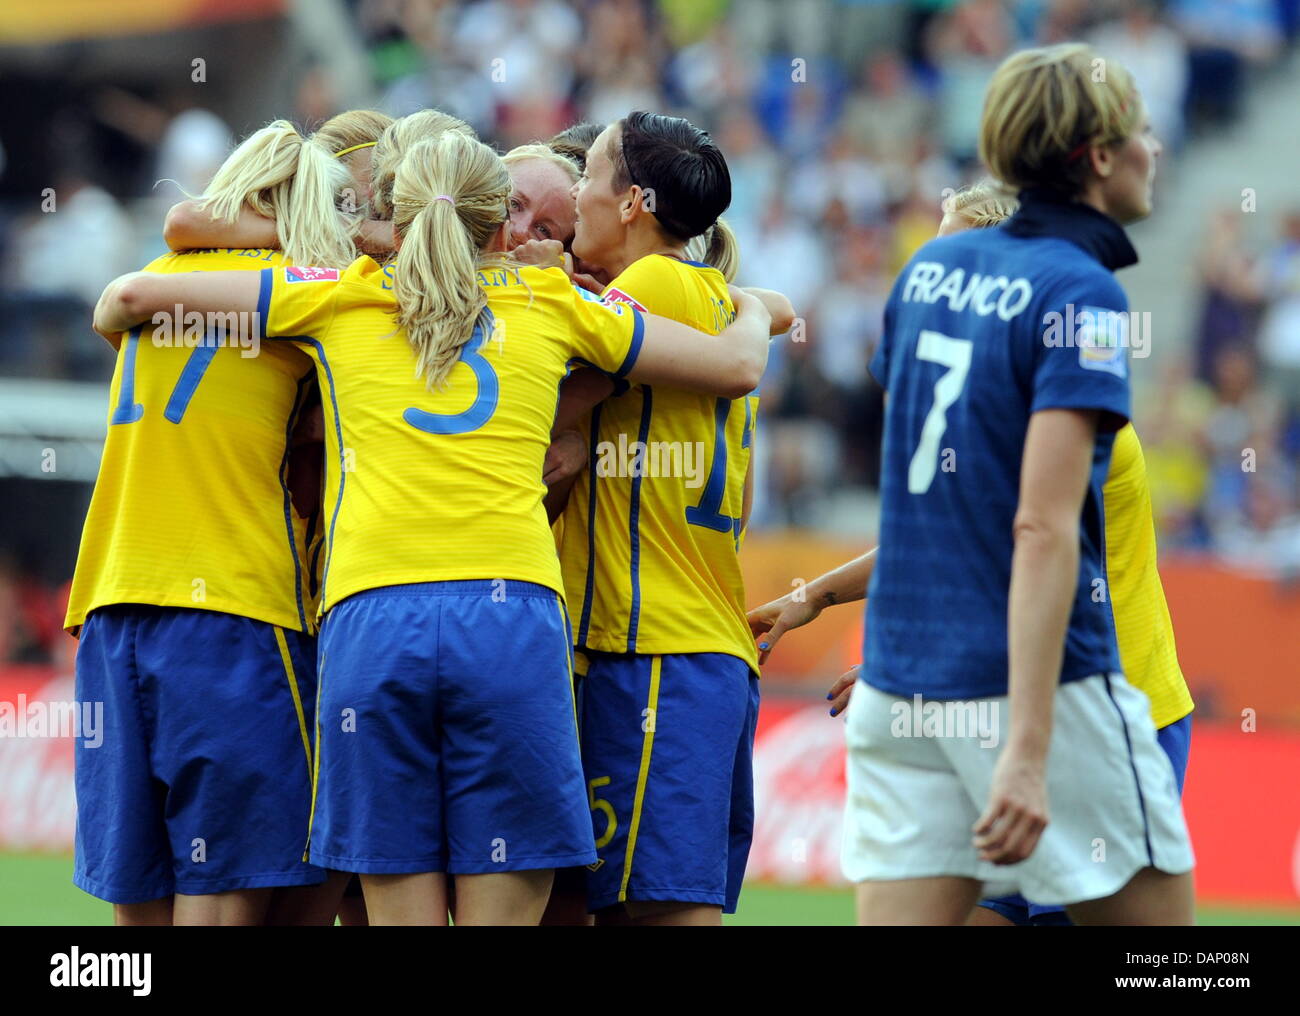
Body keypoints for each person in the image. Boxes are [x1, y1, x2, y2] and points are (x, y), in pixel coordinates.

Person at [91, 130, 776, 926]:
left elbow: (134, 297)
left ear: (402, 217)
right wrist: (759, 308)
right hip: (509, 617)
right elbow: (732, 366)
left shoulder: (345, 294)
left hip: (371, 617)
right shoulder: (551, 302)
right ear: (499, 227)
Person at [747, 178, 1196, 926]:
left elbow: (1013, 548)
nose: (929, 262)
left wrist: (912, 669)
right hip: (1004, 713)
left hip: (1109, 711)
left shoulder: (1054, 398)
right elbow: (950, 535)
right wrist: (817, 596)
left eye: (949, 240)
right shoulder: (985, 386)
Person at [68, 118, 362, 926]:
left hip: (113, 605)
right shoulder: (310, 295)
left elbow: (123, 299)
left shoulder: (157, 272)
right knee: (229, 900)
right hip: (233, 612)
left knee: (139, 905)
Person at [557, 112, 791, 925]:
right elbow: (774, 309)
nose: (577, 194)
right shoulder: (716, 297)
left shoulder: (650, 288)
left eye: (587, 172)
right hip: (697, 649)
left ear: (632, 204)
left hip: (651, 650)